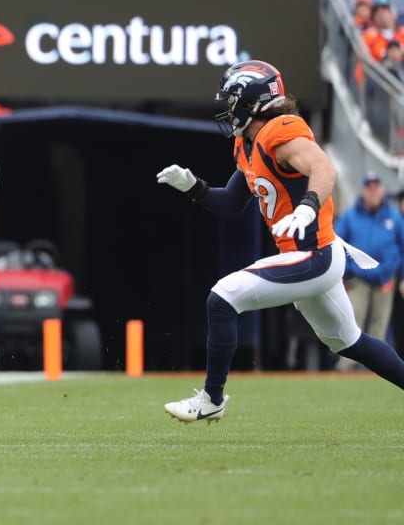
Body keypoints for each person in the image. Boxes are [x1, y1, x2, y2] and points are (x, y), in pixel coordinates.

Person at [157, 60, 404, 424]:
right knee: (350, 342)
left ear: (251, 101)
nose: (225, 109)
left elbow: (325, 169)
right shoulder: (247, 144)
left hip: (315, 254)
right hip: (306, 256)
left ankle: (212, 398)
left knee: (222, 298)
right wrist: (194, 187)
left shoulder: (280, 132)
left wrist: (308, 205)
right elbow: (231, 203)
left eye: (230, 100)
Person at [333, 172, 404, 371]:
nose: (373, 190)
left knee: (379, 325)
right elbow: (338, 246)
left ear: (382, 191)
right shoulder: (350, 217)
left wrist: (401, 277)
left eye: (376, 186)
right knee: (352, 322)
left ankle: (374, 371)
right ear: (363, 191)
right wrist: (348, 272)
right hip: (359, 279)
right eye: (369, 187)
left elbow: (402, 247)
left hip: (385, 279)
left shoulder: (395, 218)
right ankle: (346, 368)